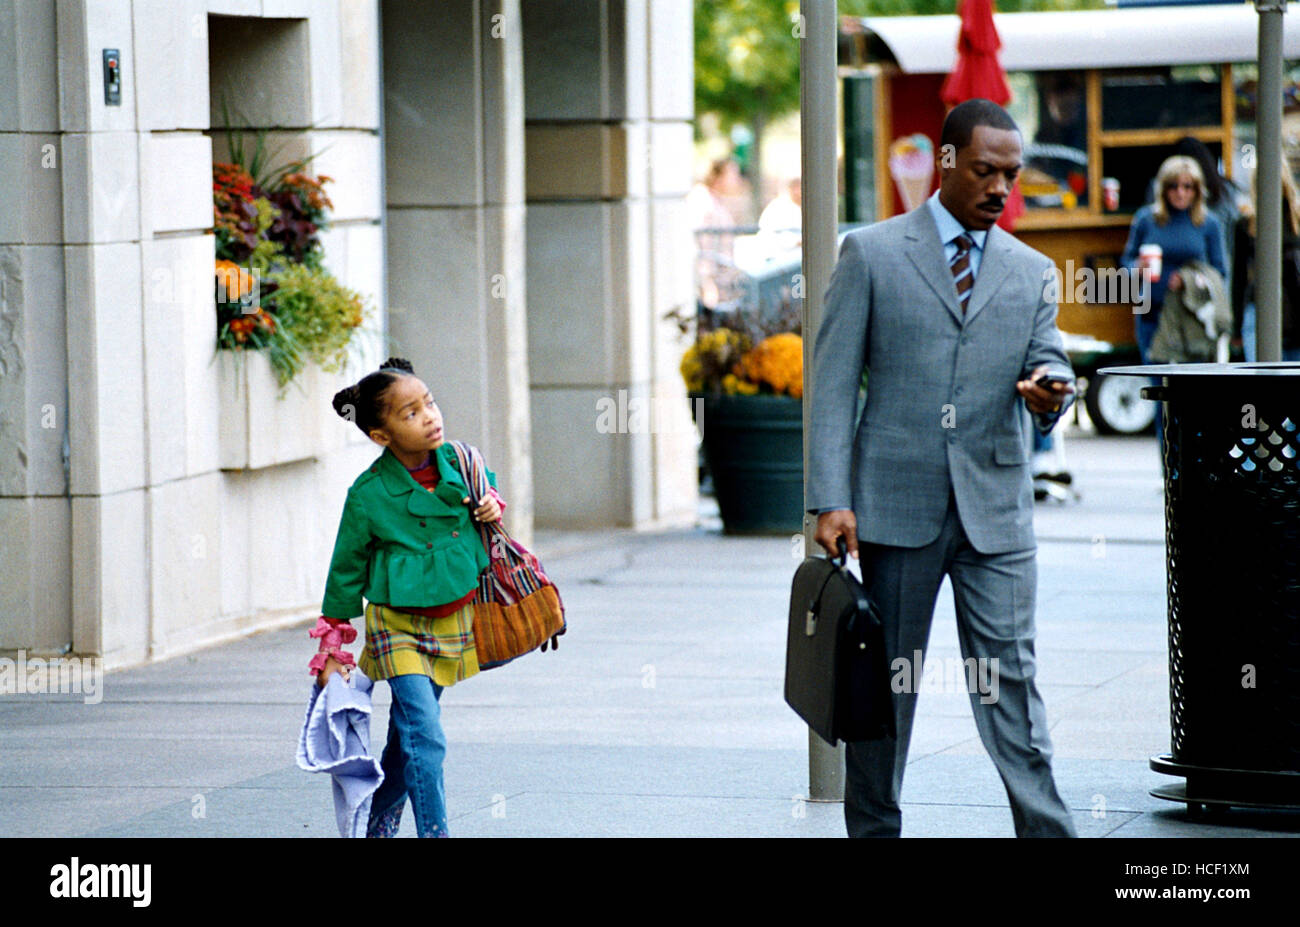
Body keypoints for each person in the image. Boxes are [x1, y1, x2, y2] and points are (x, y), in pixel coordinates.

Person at [808, 98, 1078, 838]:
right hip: (896, 506)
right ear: (949, 162)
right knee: (888, 689)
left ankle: (1050, 834)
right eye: (987, 171)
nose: (1001, 188)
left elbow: (1049, 361)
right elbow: (832, 384)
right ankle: (874, 832)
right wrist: (829, 498)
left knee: (1012, 688)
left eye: (1012, 176)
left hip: (996, 509)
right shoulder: (872, 252)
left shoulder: (1031, 272)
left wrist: (1053, 390)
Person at [312, 356, 507, 838]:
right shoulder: (368, 494)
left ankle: (378, 818)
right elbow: (345, 571)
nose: (430, 416)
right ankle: (435, 832)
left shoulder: (462, 463)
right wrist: (333, 652)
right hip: (396, 627)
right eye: (411, 412)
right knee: (427, 736)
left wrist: (490, 504)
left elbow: (492, 499)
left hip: (451, 620)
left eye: (430, 403)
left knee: (408, 738)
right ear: (382, 436)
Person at [1122, 155, 1228, 472]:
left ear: (1197, 190)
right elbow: (1125, 263)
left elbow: (1220, 272)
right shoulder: (1147, 219)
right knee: (1163, 398)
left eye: (1188, 187)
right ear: (1163, 189)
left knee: (1195, 399)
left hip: (1191, 321)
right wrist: (1137, 268)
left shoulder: (1207, 223)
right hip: (1153, 318)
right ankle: (1169, 467)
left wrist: (1190, 281)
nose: (1180, 193)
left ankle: (1196, 464)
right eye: (1173, 187)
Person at [1233, 158, 1300, 362]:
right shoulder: (1247, 224)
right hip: (1259, 306)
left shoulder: (1296, 219)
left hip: (1295, 305)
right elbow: (1239, 276)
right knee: (1264, 381)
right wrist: (1236, 325)